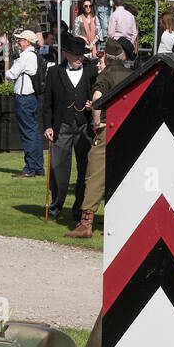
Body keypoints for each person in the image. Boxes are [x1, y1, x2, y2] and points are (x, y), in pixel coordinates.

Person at [65, 39, 132, 239]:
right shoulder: (133, 75)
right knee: (123, 178)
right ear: (123, 57)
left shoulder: (106, 75)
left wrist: (96, 124)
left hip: (107, 130)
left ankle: (86, 224)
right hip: (129, 132)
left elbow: (96, 100)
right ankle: (121, 223)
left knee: (94, 176)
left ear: (107, 58)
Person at [43, 34, 97, 224]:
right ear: (65, 54)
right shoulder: (54, 72)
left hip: (84, 126)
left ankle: (79, 209)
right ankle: (56, 206)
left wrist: (93, 105)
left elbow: (98, 96)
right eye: (75, 56)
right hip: (62, 125)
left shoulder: (91, 72)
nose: (79, 59)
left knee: (85, 169)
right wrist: (48, 126)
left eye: (81, 55)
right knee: (58, 167)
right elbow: (47, 103)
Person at [5, 28, 44, 177]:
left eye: (20, 40)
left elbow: (11, 74)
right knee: (34, 132)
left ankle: (30, 168)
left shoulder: (25, 56)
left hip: (24, 98)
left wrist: (9, 69)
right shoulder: (35, 55)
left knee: (28, 133)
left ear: (27, 42)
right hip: (32, 98)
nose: (18, 43)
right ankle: (38, 167)